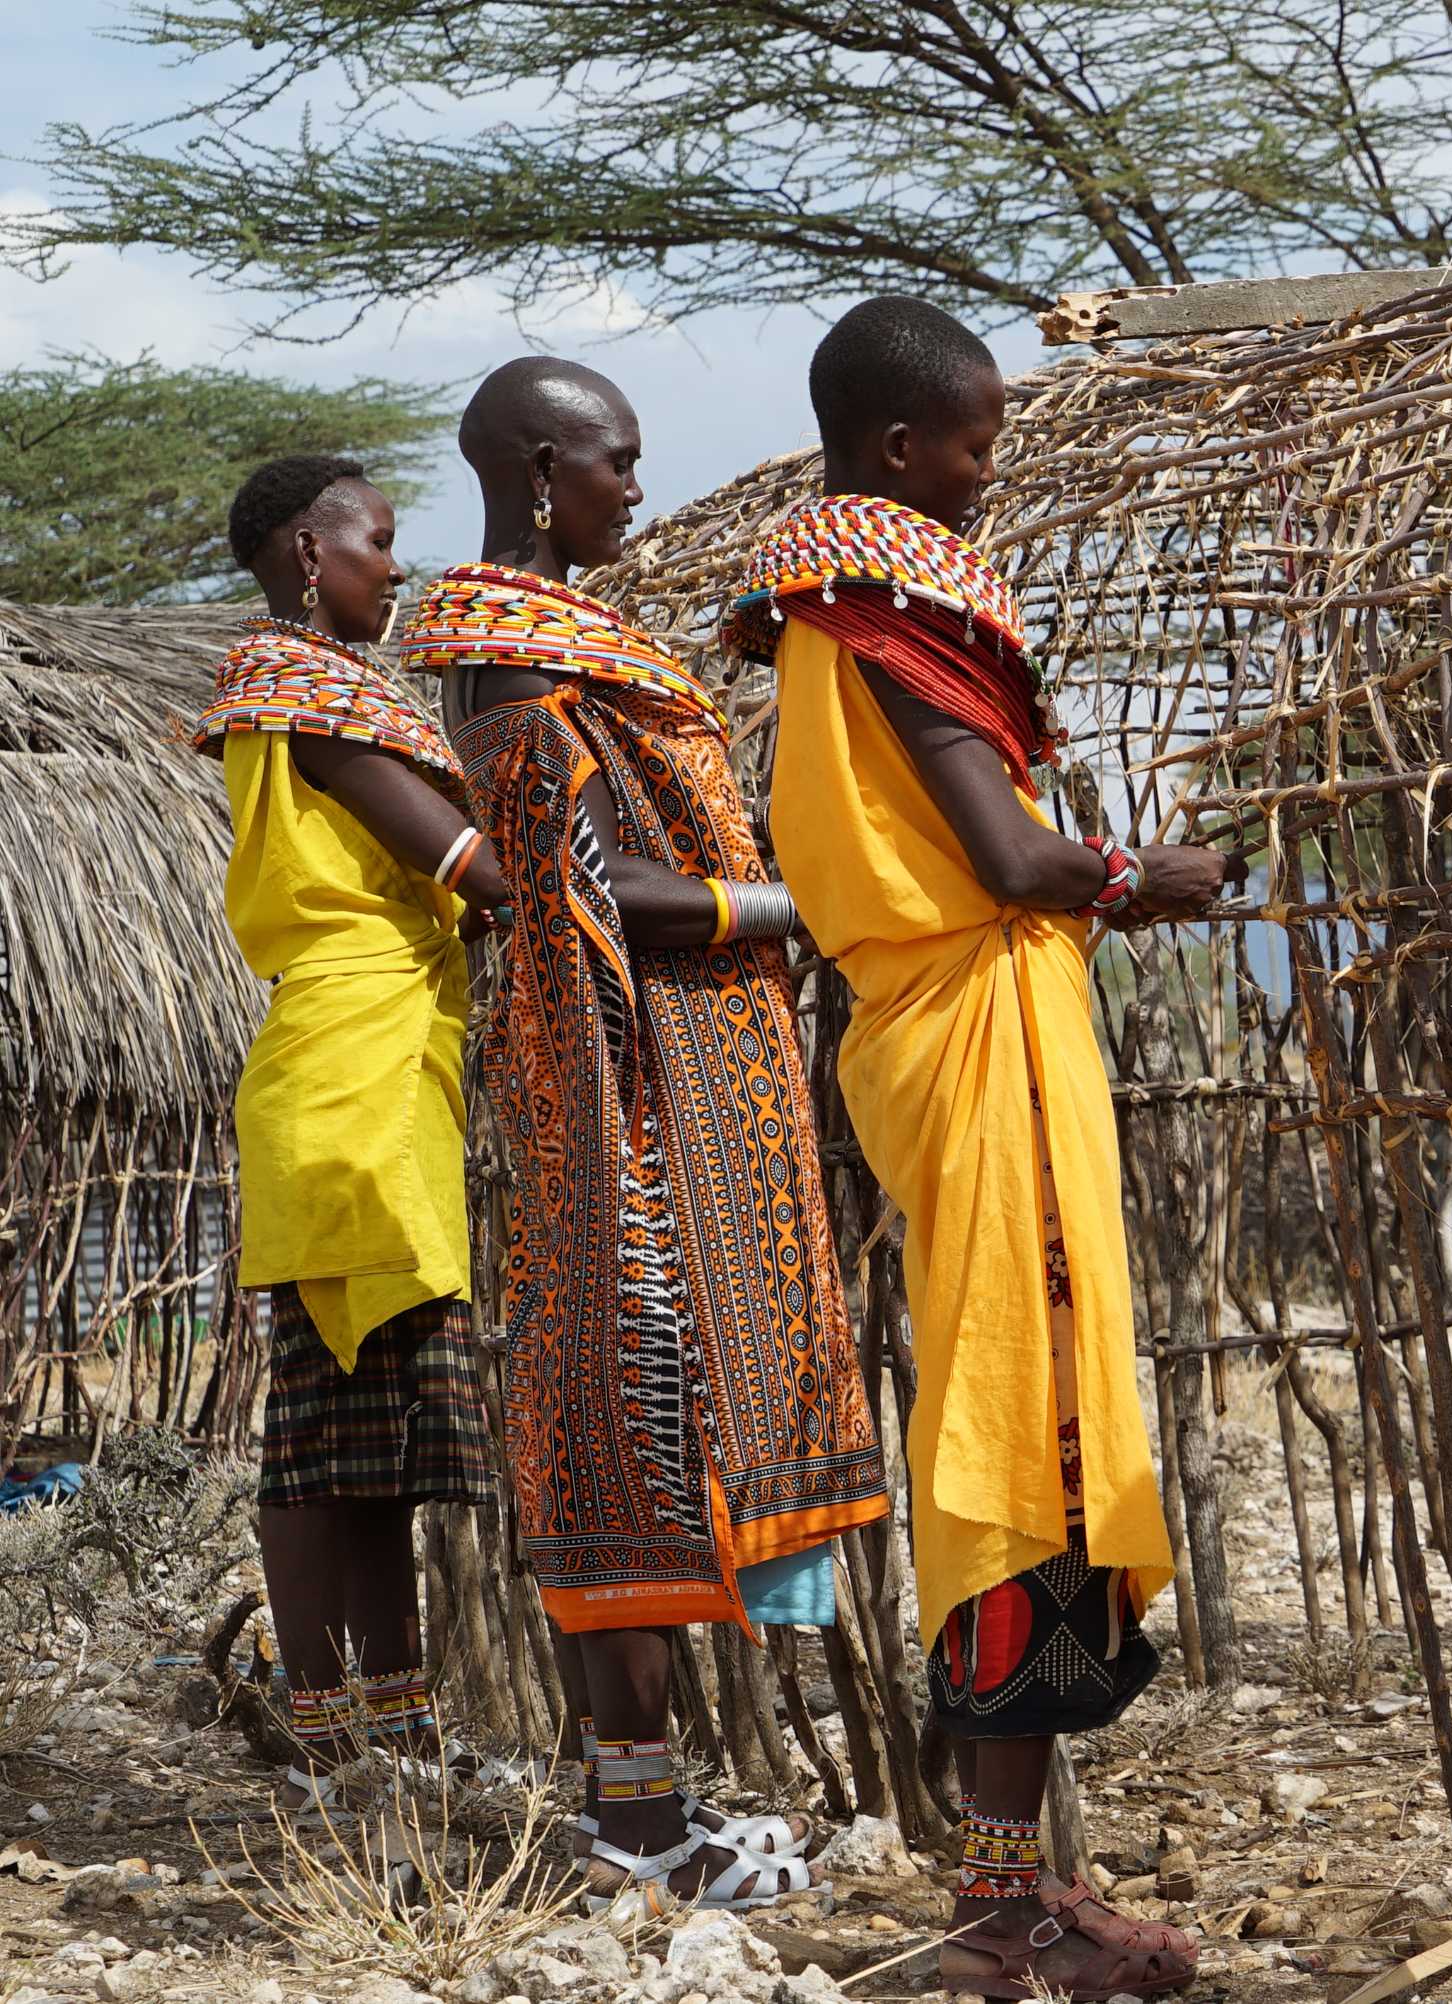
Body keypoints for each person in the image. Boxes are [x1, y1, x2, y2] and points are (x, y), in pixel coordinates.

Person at [728, 296, 1229, 2000]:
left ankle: (1021, 1883)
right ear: (898, 448)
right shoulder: (887, 603)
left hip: (946, 1034)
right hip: (973, 1031)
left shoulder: (832, 613)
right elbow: (1012, 862)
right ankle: (1001, 1909)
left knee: (1040, 1423)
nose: (988, 476)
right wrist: (1142, 878)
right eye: (976, 445)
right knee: (1025, 1440)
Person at [399, 359, 888, 1915]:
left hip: (671, 1087)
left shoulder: (561, 648)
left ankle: (645, 1819)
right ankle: (640, 1830)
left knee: (654, 1439)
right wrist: (796, 908)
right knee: (633, 1436)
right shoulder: (510, 665)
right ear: (543, 467)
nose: (633, 487)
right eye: (614, 462)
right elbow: (584, 897)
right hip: (625, 1110)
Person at [195, 455, 514, 1809]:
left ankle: (395, 1730)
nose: (398, 565)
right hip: (348, 1081)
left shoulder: (312, 691)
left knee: (376, 1442)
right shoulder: (305, 695)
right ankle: (335, 1740)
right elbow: (478, 872)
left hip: (374, 1069)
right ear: (307, 552)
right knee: (325, 1442)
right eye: (379, 542)